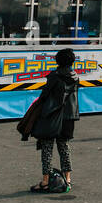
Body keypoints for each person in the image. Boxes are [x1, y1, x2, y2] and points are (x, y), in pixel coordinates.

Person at [29, 48, 80, 193]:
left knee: (47, 148)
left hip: (52, 115)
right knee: (64, 147)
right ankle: (67, 179)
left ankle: (45, 181)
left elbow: (45, 95)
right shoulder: (76, 77)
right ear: (72, 61)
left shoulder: (54, 76)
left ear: (58, 61)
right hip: (69, 117)